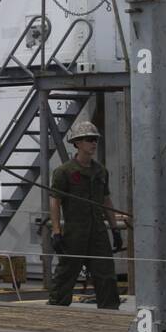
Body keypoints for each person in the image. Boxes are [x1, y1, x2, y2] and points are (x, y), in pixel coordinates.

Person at [47, 120, 125, 310]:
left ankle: (109, 313)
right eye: (89, 140)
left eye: (95, 140)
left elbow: (106, 200)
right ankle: (56, 311)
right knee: (66, 273)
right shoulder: (64, 172)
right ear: (77, 143)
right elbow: (55, 202)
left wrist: (115, 229)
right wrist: (56, 232)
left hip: (98, 232)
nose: (93, 143)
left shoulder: (101, 172)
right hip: (75, 232)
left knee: (106, 275)